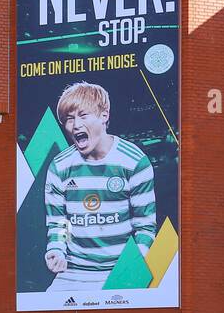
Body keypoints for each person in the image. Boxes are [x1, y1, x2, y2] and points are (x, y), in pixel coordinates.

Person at [43, 82, 157, 292]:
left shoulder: (134, 162)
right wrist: (56, 251)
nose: (75, 125)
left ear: (104, 116)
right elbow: (58, 224)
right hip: (74, 272)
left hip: (121, 270)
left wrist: (132, 268)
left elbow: (145, 227)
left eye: (83, 115)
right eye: (69, 118)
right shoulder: (59, 166)